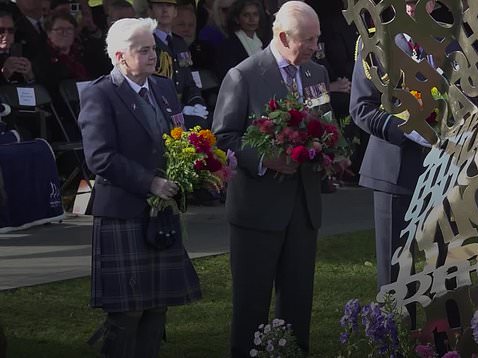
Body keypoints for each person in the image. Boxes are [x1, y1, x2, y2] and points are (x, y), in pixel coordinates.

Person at [78, 17, 202, 357]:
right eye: (144, 50)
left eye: (154, 48)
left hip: (161, 213)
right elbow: (99, 158)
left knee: (158, 307)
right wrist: (150, 182)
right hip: (123, 214)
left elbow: (176, 139)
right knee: (126, 313)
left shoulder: (163, 87)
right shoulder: (99, 94)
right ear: (120, 57)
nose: (153, 55)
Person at [211, 1, 329, 356]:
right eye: (306, 39)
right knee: (251, 306)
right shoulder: (244, 75)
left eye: (316, 39)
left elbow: (325, 123)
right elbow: (224, 136)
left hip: (303, 207)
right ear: (281, 36)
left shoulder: (316, 74)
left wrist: (328, 150)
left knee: (297, 303)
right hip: (257, 211)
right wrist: (265, 159)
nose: (313, 46)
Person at [349, 0, 435, 327]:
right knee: (397, 268)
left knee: (446, 263)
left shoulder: (448, 40)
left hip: (441, 168)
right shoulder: (375, 43)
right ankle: (397, 341)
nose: (414, 8)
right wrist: (407, 131)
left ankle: (445, 340)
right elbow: (361, 107)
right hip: (394, 169)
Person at [148, 0, 209, 129]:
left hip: (185, 107)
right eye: (159, 6)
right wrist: (181, 109)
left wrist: (196, 102)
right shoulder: (148, 44)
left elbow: (189, 81)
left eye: (169, 6)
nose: (165, 10)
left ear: (175, 12)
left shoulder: (179, 43)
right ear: (150, 11)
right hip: (162, 110)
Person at [213, 0, 263, 80]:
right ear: (237, 19)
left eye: (255, 14)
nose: (252, 19)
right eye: (246, 15)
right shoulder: (227, 46)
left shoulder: (263, 42)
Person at [0, 11, 35, 84]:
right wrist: (4, 75)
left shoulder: (25, 53)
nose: (6, 35)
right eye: (1, 30)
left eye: (10, 30)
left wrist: (30, 76)